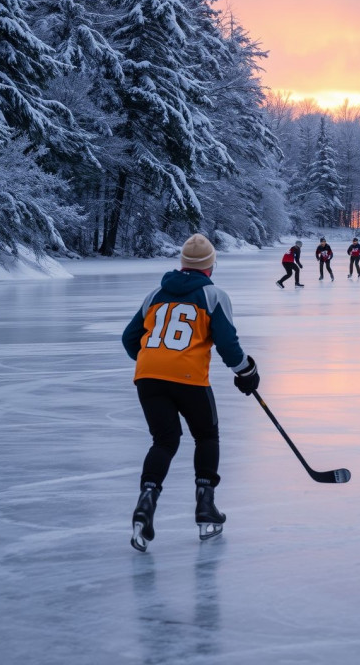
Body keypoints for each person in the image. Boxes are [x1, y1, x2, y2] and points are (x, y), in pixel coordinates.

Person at [122, 233, 259, 548]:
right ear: (211, 265)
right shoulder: (213, 295)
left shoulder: (155, 294)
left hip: (148, 376)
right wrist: (245, 371)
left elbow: (130, 339)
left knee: (164, 440)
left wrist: (152, 360)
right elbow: (227, 344)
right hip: (189, 378)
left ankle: (145, 503)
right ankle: (205, 508)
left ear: (182, 264)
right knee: (206, 436)